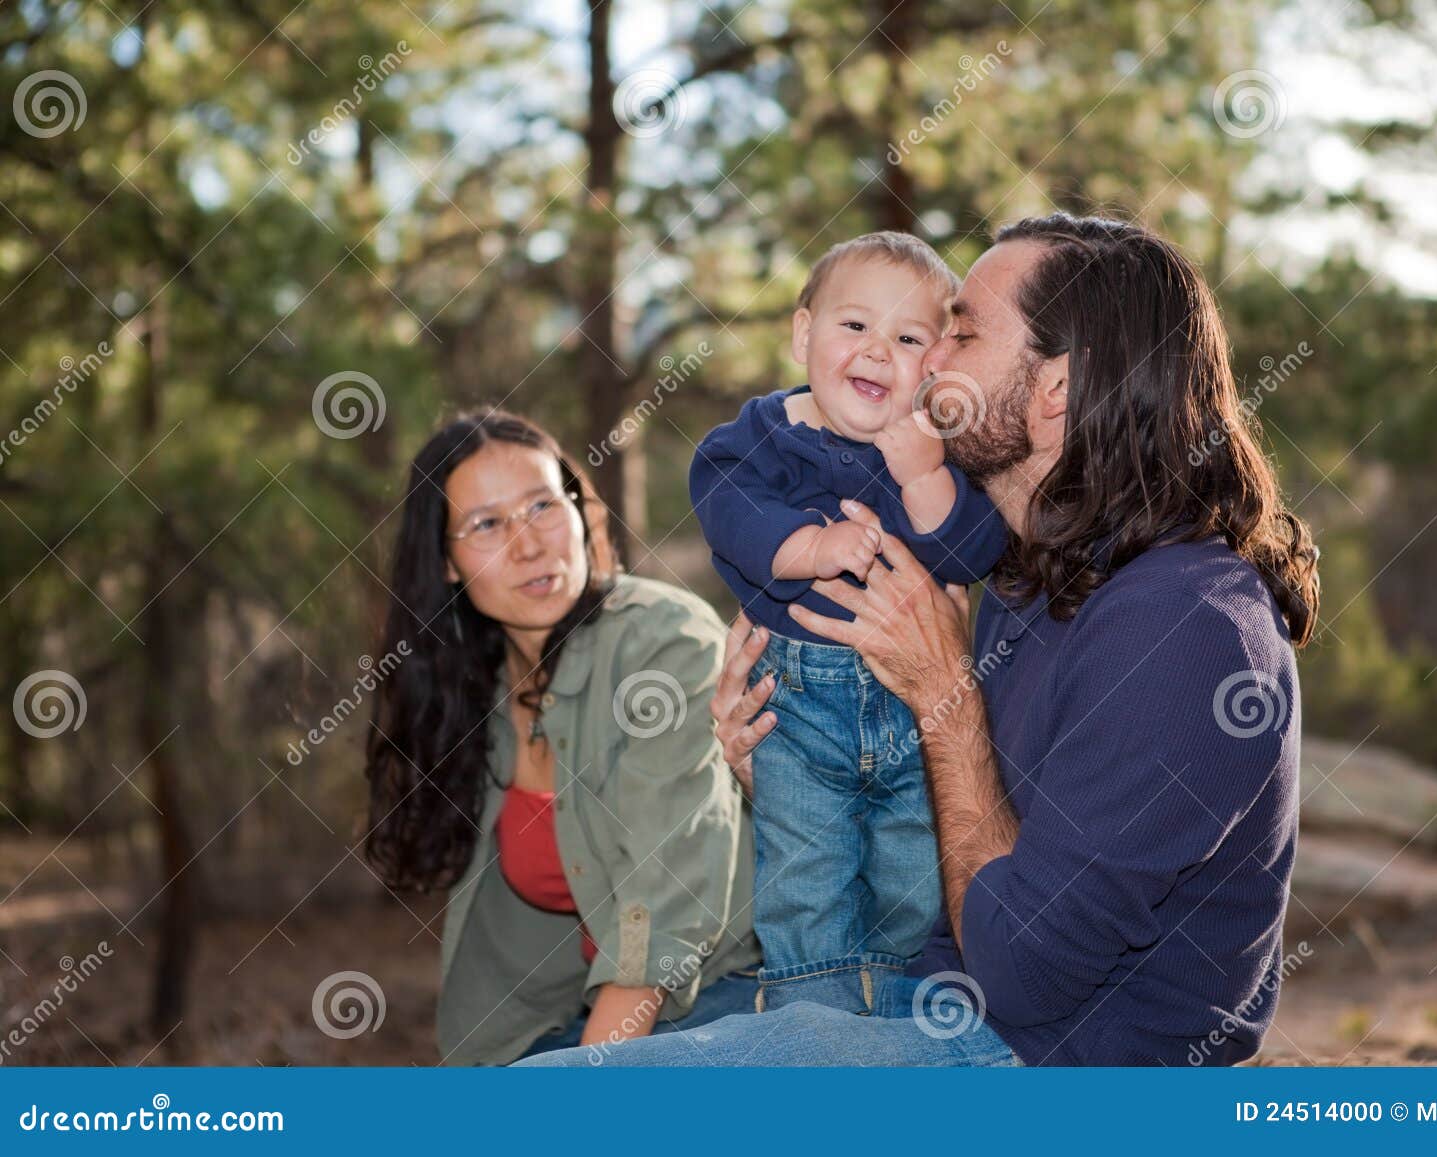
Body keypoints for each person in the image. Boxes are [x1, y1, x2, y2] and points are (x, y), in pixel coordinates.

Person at [515, 213, 1319, 1067]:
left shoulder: (1187, 630)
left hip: (1047, 1064)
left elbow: (1025, 977)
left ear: (1056, 388)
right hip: (915, 993)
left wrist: (944, 696)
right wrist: (788, 764)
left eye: (960, 332)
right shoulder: (1027, 570)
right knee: (555, 1053)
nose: (924, 358)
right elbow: (959, 834)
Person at [362, 410, 761, 1066]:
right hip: (571, 1027)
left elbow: (662, 918)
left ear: (579, 512)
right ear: (446, 563)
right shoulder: (477, 694)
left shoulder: (664, 644)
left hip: (723, 1006)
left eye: (543, 505)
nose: (529, 544)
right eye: (487, 524)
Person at [688, 232, 1009, 1013]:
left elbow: (973, 551)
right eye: (854, 326)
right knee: (806, 874)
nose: (876, 353)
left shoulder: (928, 453)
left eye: (906, 339)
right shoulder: (762, 437)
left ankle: (899, 1013)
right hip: (798, 703)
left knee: (913, 870)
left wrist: (925, 476)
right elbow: (726, 505)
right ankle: (813, 1016)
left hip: (912, 705)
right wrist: (811, 546)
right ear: (804, 333)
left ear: (934, 367)